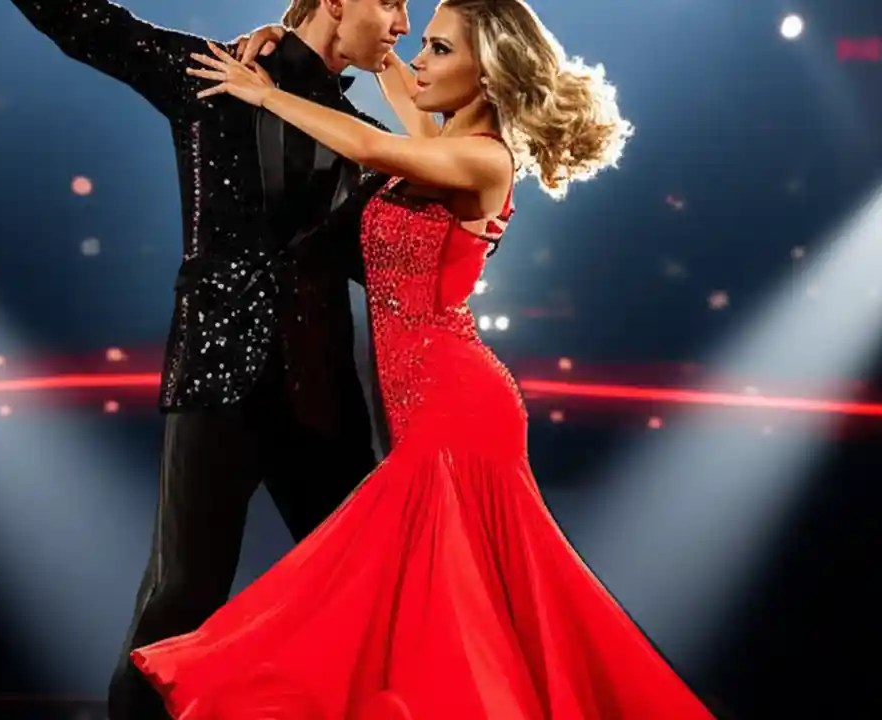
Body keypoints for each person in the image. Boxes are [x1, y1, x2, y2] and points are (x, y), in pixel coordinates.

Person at [131, 0, 717, 717]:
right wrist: (284, 38)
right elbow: (392, 93)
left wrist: (267, 94)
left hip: (457, 412)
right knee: (431, 603)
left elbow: (373, 152)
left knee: (410, 596)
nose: (417, 59)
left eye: (439, 49)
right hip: (420, 407)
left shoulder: (480, 158)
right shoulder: (442, 144)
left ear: (486, 67)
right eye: (423, 44)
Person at [2, 1, 409, 718]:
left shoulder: (366, 141)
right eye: (394, 1)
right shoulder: (215, 74)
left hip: (323, 392)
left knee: (370, 589)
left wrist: (416, 120)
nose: (404, 23)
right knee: (182, 595)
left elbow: (434, 236)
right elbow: (87, 23)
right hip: (217, 373)